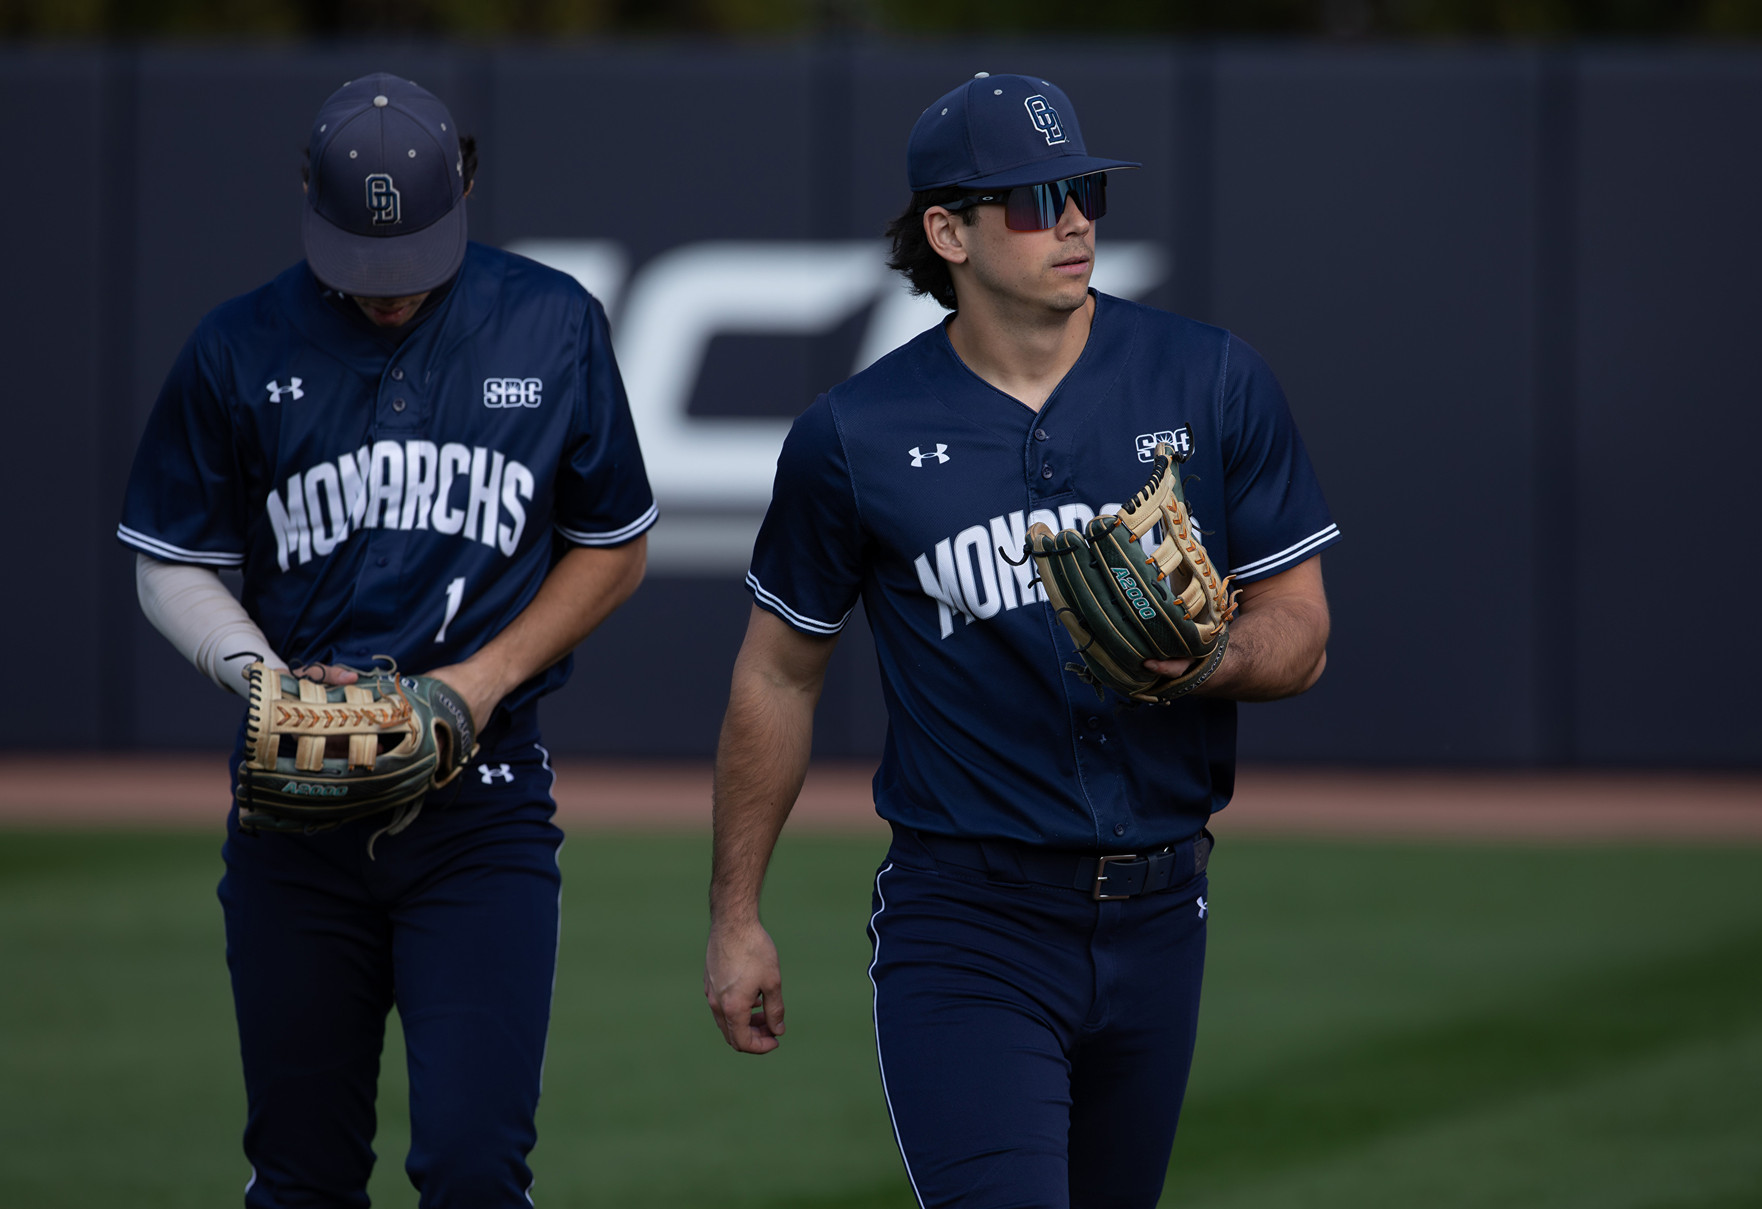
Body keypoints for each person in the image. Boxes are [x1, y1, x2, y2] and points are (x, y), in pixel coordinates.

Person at [705, 72, 1337, 1208]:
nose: (1078, 218)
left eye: (1084, 187)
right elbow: (777, 673)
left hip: (1162, 911)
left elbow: (1302, 629)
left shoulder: (1209, 378)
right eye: (1036, 198)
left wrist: (1210, 660)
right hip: (969, 921)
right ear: (947, 231)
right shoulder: (857, 436)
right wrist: (737, 917)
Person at [117, 73, 655, 1207]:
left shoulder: (551, 322)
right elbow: (171, 557)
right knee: (302, 1176)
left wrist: (477, 683)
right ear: (307, 205)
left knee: (471, 1169)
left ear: (462, 185)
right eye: (361, 268)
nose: (388, 296)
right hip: (294, 815)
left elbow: (613, 545)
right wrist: (259, 677)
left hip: (482, 813)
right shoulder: (236, 347)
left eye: (412, 262)